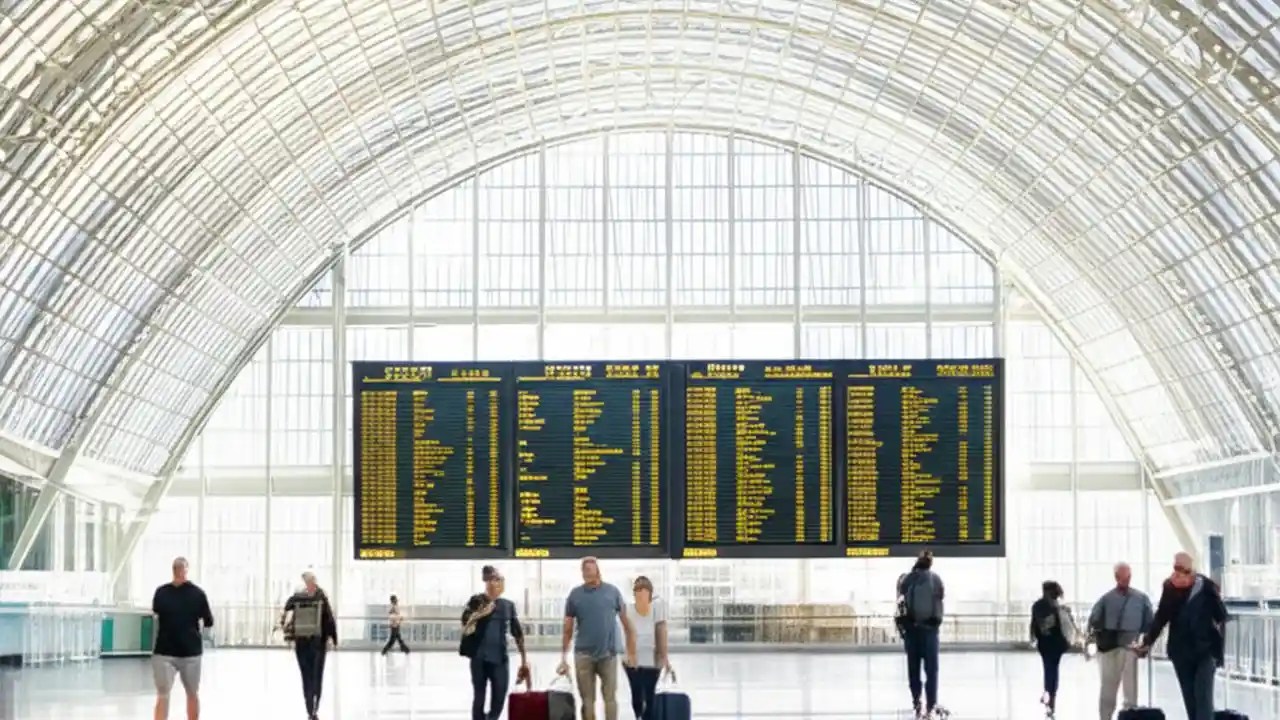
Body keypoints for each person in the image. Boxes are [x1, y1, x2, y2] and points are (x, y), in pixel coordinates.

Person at [1134, 552, 1227, 720]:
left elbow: (1221, 616)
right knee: (1190, 699)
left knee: (1203, 697)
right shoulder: (1170, 588)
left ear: (1190, 569)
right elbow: (1162, 616)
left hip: (1205, 650)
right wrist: (1148, 641)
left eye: (1182, 568)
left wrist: (1219, 652)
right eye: (1176, 567)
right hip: (1181, 651)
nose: (1178, 573)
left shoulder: (1206, 587)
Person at [558, 557, 637, 720]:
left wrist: (630, 652)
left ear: (597, 571)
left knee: (610, 699)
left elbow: (627, 624)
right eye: (584, 570)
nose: (587, 573)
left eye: (590, 569)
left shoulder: (612, 592)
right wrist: (563, 658)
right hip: (583, 655)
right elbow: (567, 629)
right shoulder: (575, 595)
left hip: (608, 654)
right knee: (587, 700)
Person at [460, 566, 530, 720]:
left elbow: (517, 632)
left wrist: (524, 660)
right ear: (486, 582)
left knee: (499, 696)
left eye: (499, 580)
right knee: (479, 696)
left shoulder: (507, 606)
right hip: (479, 658)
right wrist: (482, 612)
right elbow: (465, 623)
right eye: (492, 579)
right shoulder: (476, 601)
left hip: (499, 659)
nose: (495, 583)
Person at [1087, 561, 1153, 720]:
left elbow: (1149, 624)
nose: (1125, 580)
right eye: (1122, 577)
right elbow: (1094, 622)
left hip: (1130, 647)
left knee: (1129, 688)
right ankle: (1106, 716)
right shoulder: (1106, 599)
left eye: (1127, 577)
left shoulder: (1141, 599)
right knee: (1109, 687)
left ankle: (1128, 715)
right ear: (1116, 577)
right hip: (1110, 649)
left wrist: (1145, 644)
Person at [151, 557, 213, 720]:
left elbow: (157, 611)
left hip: (164, 650)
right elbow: (209, 621)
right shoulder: (198, 594)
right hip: (190, 651)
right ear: (186, 570)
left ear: (173, 570)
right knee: (192, 694)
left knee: (162, 695)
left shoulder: (161, 592)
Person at [279, 571, 338, 720]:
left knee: (306, 676)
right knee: (316, 674)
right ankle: (314, 706)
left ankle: (310, 707)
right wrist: (333, 637)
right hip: (317, 642)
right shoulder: (321, 598)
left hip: (302, 642)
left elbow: (287, 606)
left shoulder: (297, 598)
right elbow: (329, 619)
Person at [896, 550, 945, 719]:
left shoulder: (908, 579)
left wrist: (906, 624)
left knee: (914, 670)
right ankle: (930, 704)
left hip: (913, 631)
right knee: (931, 670)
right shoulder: (936, 579)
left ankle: (917, 702)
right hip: (930, 632)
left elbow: (900, 603)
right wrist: (935, 621)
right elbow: (939, 603)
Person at [623, 576, 672, 720]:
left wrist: (665, 659)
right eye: (638, 591)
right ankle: (639, 715)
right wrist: (631, 657)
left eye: (644, 590)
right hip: (633, 661)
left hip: (652, 660)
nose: (641, 594)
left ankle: (646, 716)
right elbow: (626, 634)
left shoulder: (657, 609)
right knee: (636, 693)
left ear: (650, 593)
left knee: (650, 694)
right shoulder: (628, 610)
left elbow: (661, 634)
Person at [1029, 580, 1077, 717]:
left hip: (1047, 643)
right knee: (1052, 669)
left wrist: (1033, 637)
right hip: (1057, 643)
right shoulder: (1058, 606)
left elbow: (1037, 623)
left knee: (1049, 668)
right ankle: (1050, 695)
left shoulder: (1040, 605)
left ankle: (1049, 695)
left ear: (1045, 591)